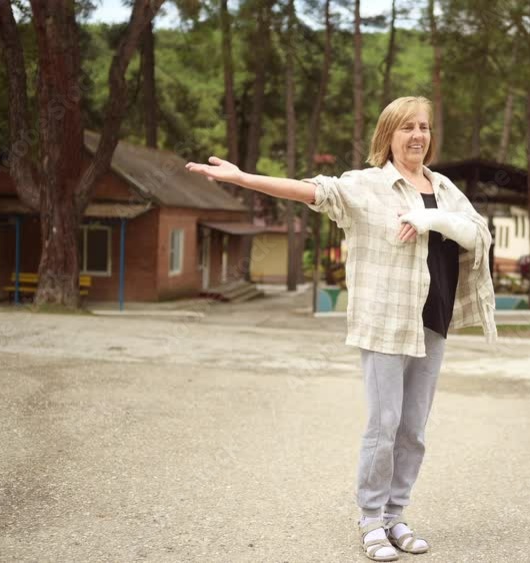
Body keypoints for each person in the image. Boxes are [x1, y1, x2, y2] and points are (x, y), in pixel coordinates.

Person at [185, 95, 497, 561]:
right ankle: (371, 519)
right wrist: (244, 178)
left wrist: (433, 218)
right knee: (384, 423)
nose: (417, 136)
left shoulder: (446, 188)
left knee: (414, 428)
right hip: (385, 322)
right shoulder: (365, 186)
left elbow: (478, 233)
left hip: (433, 322)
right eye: (407, 127)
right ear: (387, 136)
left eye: (424, 127)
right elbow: (313, 190)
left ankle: (396, 515)